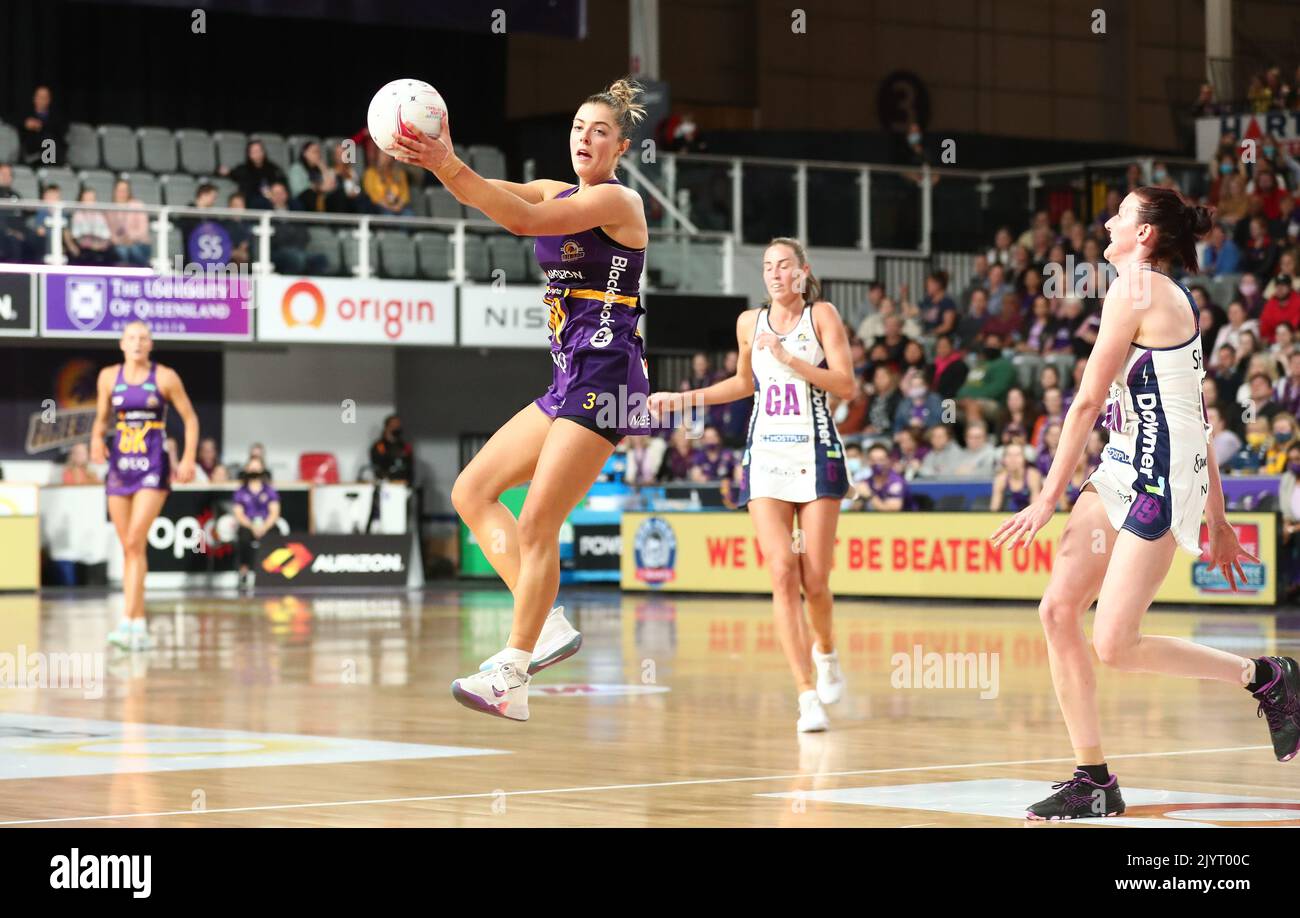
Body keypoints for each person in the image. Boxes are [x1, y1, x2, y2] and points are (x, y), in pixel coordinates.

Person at [992, 186, 1293, 822]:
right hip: (1128, 459)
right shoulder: (1141, 293)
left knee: (1115, 643)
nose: (1108, 220)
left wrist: (1048, 496)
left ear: (1146, 234)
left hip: (1162, 478)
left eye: (1121, 213)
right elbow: (1196, 415)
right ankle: (1093, 779)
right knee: (1057, 609)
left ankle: (1265, 677)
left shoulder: (1141, 290)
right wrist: (1220, 516)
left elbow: (1084, 401)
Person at [395, 79, 650, 720]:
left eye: (598, 131)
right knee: (470, 491)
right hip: (568, 378)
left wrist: (443, 162)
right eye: (576, 128)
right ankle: (550, 626)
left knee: (537, 521)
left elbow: (522, 222)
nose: (584, 139)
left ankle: (512, 671)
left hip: (608, 378)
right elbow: (496, 196)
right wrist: (442, 153)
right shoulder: (550, 189)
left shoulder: (620, 202)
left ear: (620, 146)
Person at [652, 236, 854, 733]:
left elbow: (846, 384)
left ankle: (826, 652)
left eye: (784, 265)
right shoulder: (749, 322)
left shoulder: (822, 315)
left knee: (816, 577)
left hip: (816, 450)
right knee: (782, 570)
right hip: (764, 455)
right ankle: (806, 694)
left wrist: (789, 359)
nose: (775, 274)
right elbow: (743, 383)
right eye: (767, 266)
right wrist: (684, 401)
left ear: (803, 271)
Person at [91, 322, 198, 651]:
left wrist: (189, 458)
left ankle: (126, 620)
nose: (137, 343)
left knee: (136, 538)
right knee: (129, 548)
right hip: (121, 466)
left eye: (143, 339)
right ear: (122, 344)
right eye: (132, 338)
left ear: (151, 344)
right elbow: (102, 417)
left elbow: (190, 418)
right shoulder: (109, 377)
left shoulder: (165, 377)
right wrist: (96, 438)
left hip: (153, 466)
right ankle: (138, 624)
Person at [232, 455, 280, 590]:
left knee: (275, 535)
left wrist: (264, 526)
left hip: (266, 524)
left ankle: (273, 572)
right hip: (248, 524)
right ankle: (244, 572)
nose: (254, 471)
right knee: (243, 537)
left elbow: (274, 512)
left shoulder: (269, 491)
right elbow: (239, 513)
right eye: (251, 468)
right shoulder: (241, 491)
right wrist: (252, 526)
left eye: (257, 468)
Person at [18, 86, 64, 165]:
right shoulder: (25, 114)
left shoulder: (56, 117)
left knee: (49, 140)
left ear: (49, 100)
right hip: (31, 152)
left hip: (51, 153)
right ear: (34, 98)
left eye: (44, 97)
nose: (41, 100)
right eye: (39, 97)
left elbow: (59, 132)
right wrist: (26, 124)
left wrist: (40, 127)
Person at [990, 442, 1042, 512]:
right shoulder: (1000, 478)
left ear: (1024, 459)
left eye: (1017, 455)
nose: (1013, 459)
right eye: (1009, 455)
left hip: (1029, 517)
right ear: (1003, 459)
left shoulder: (1033, 475)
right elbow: (994, 508)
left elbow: (1036, 507)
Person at [370, 414, 413, 482]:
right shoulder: (379, 446)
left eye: (398, 426)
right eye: (393, 426)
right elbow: (377, 466)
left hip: (403, 483)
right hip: (385, 483)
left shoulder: (405, 446)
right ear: (387, 427)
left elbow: (410, 467)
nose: (396, 428)